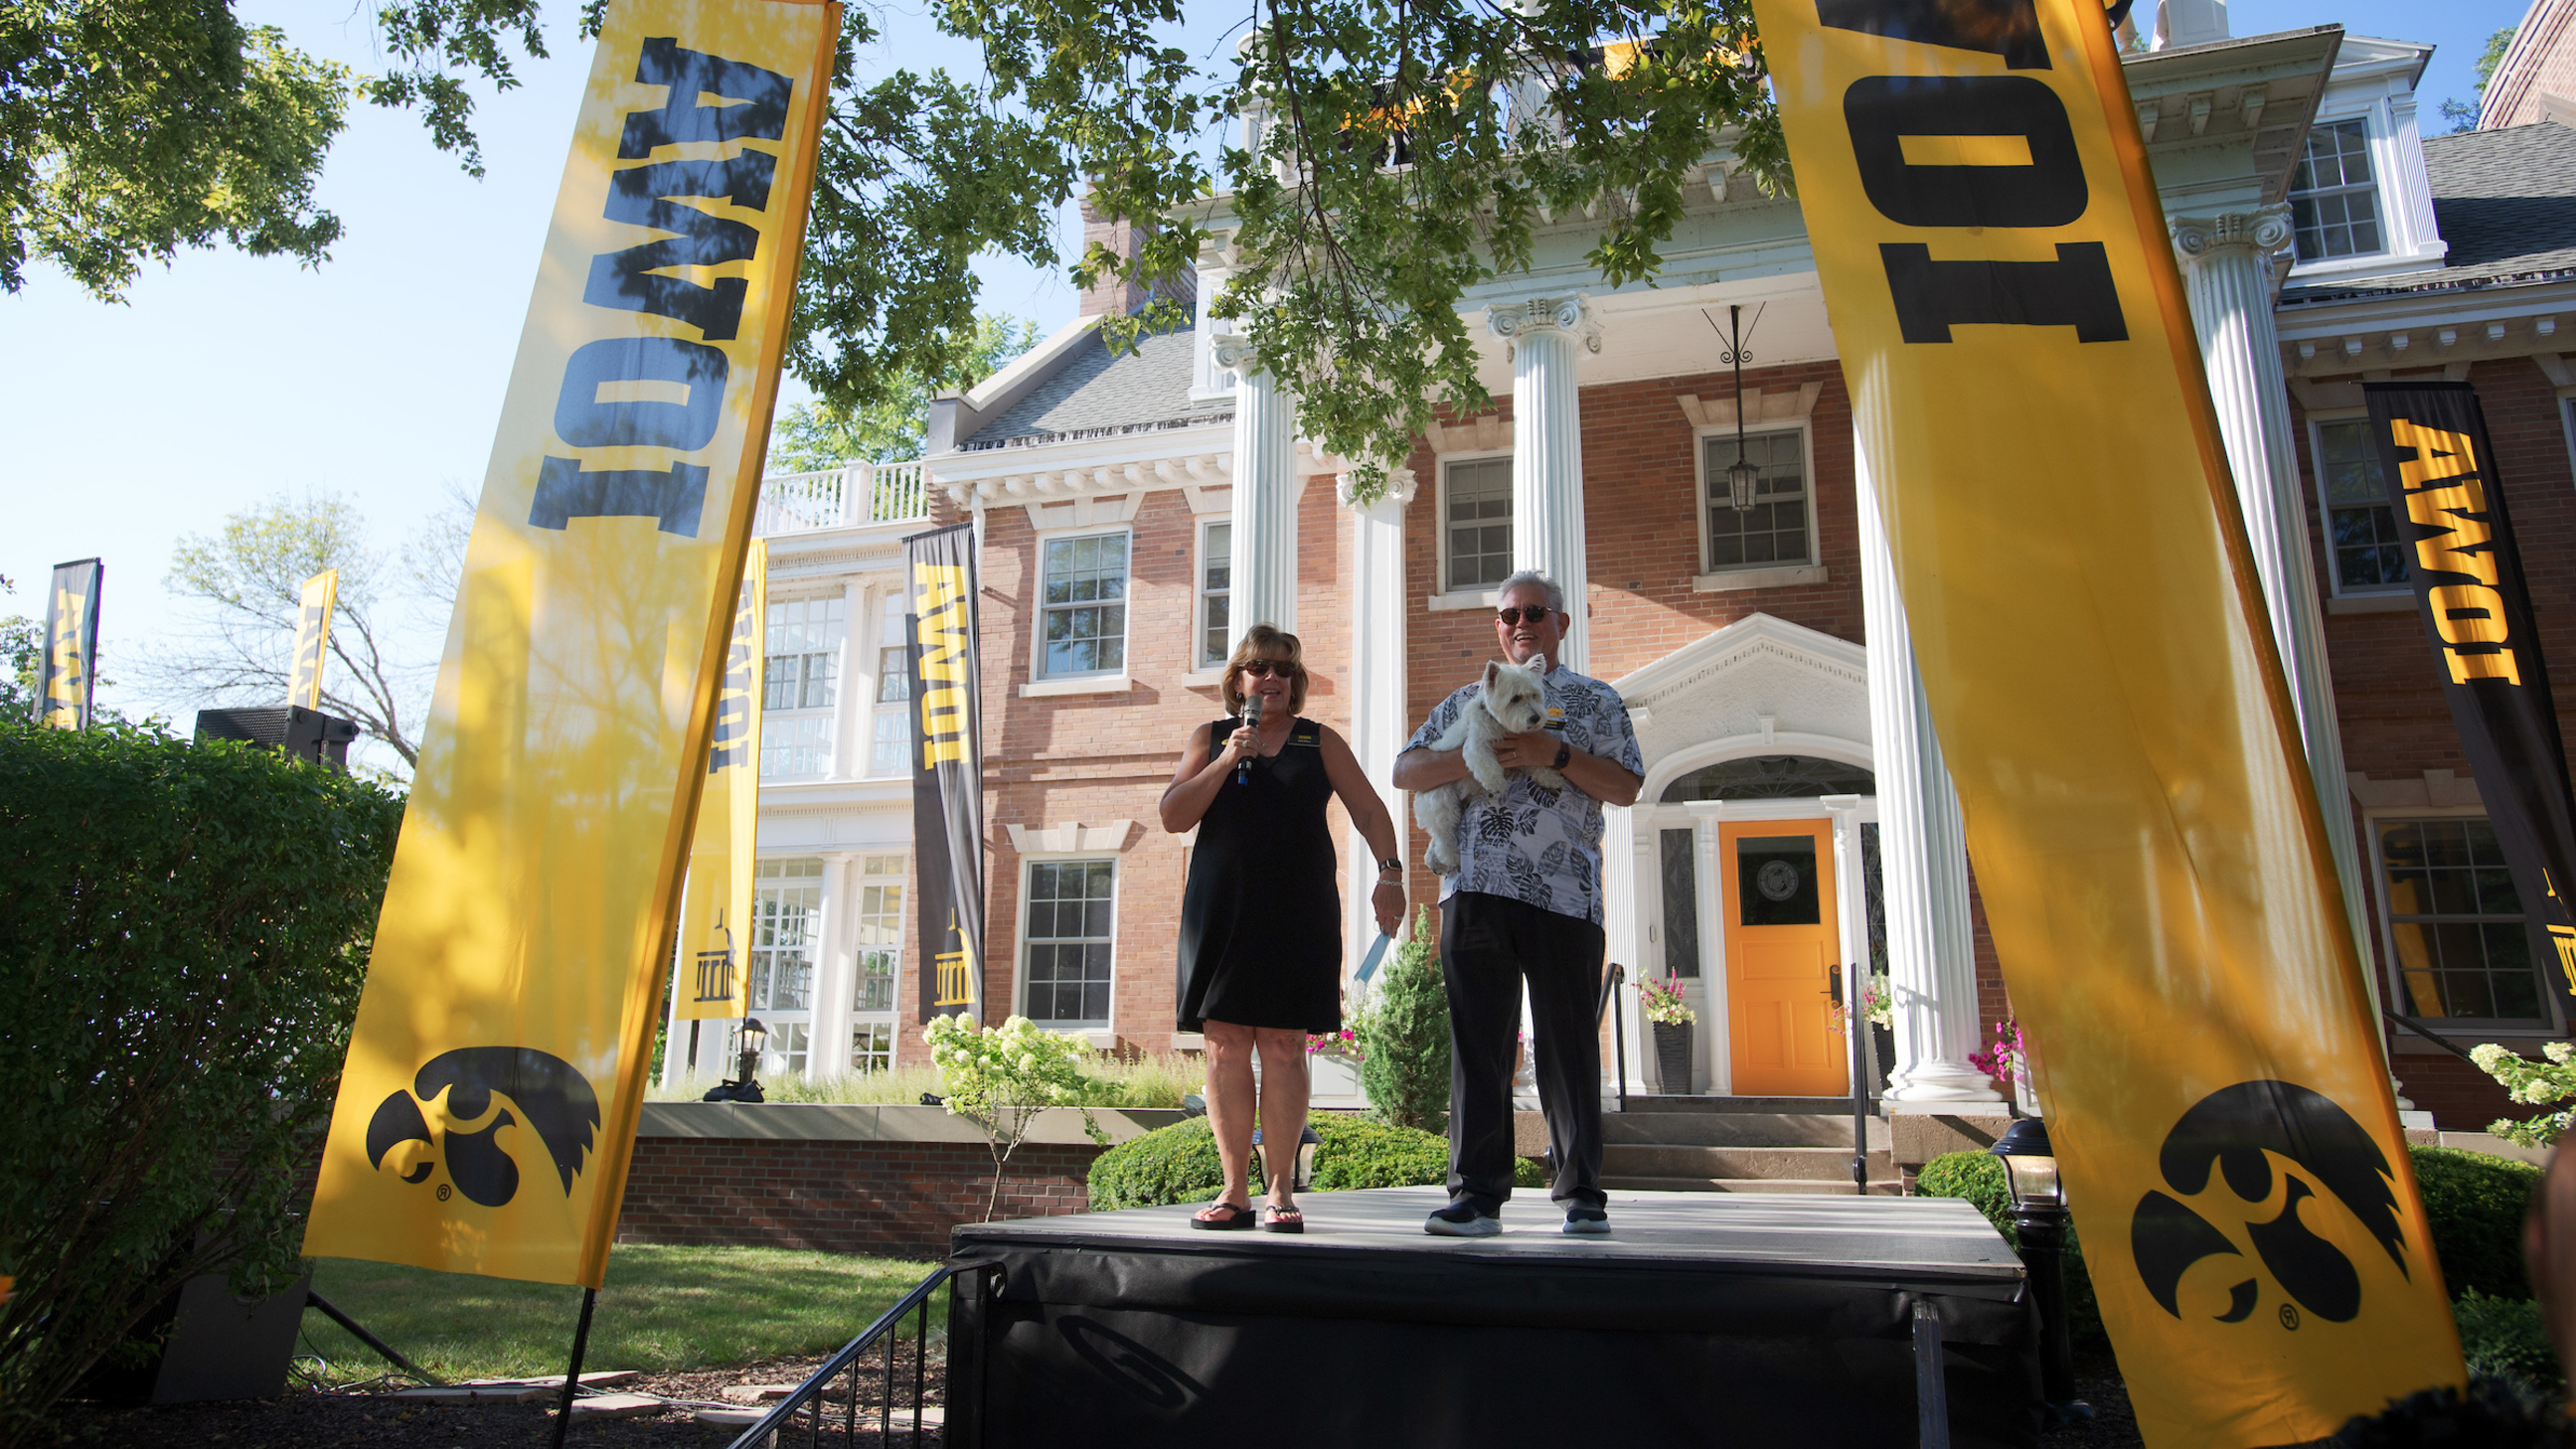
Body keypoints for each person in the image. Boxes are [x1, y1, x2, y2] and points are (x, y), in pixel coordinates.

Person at [1393, 571, 1643, 1236]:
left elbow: (1625, 786)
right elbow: (1405, 772)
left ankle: (1582, 1193)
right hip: (1476, 894)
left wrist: (1552, 752)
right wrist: (1481, 752)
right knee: (1481, 1048)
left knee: (1568, 1046)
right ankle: (1476, 1195)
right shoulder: (1464, 699)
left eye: (1535, 612)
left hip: (1566, 897)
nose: (1520, 623)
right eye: (1508, 615)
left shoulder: (1596, 701)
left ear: (1561, 622)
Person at [1160, 624, 1405, 1233]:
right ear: (1237, 679)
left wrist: (1391, 874)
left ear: (1294, 684)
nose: (1271, 679)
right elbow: (1173, 815)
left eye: (1284, 670)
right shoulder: (1212, 737)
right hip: (1222, 911)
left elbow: (1371, 810)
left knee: (1284, 1044)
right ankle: (1234, 1189)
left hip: (1297, 911)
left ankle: (1281, 1191)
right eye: (1259, 668)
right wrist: (1227, 758)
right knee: (1224, 1045)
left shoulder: (1317, 741)